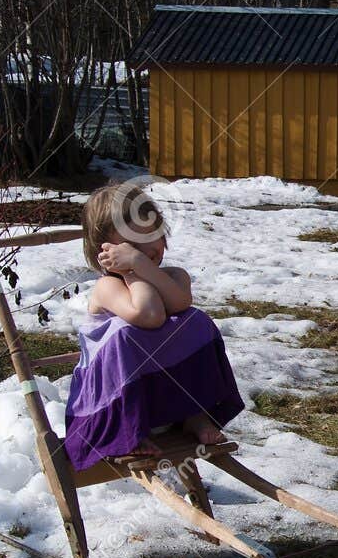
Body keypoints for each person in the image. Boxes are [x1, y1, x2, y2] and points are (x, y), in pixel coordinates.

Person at [63, 184, 244, 470]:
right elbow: (148, 314)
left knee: (195, 320)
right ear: (106, 251)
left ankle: (194, 414)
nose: (145, 250)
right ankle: (129, 430)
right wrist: (132, 269)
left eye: (151, 235)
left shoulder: (175, 276)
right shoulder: (107, 286)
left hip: (158, 389)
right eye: (131, 246)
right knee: (125, 334)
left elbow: (179, 302)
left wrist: (139, 265)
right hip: (109, 396)